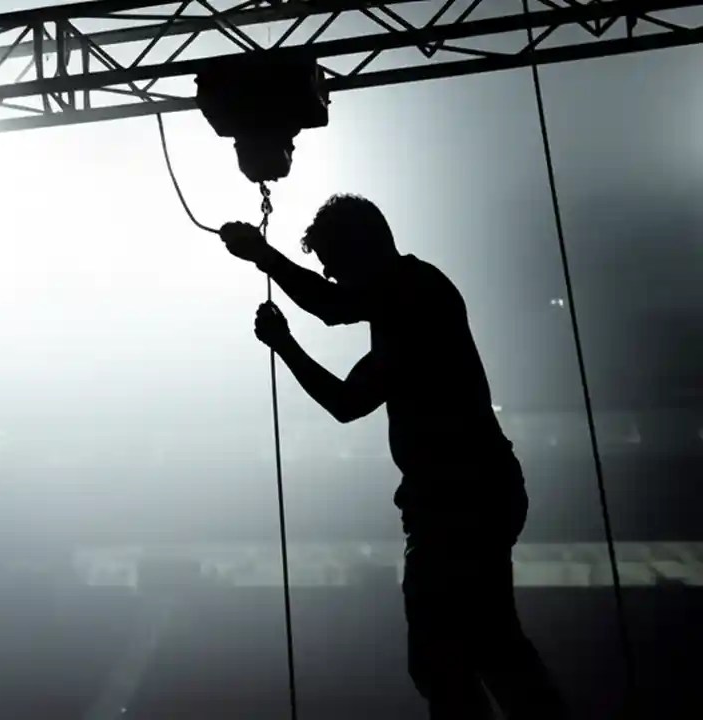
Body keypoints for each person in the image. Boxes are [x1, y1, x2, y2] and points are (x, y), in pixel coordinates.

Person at [220, 194, 567, 719]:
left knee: (458, 657)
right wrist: (285, 344)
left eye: (335, 267)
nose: (333, 280)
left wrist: (264, 257)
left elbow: (334, 314)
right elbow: (346, 402)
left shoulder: (414, 290)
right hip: (464, 495)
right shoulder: (407, 314)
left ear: (362, 249)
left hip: (458, 497)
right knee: (478, 648)